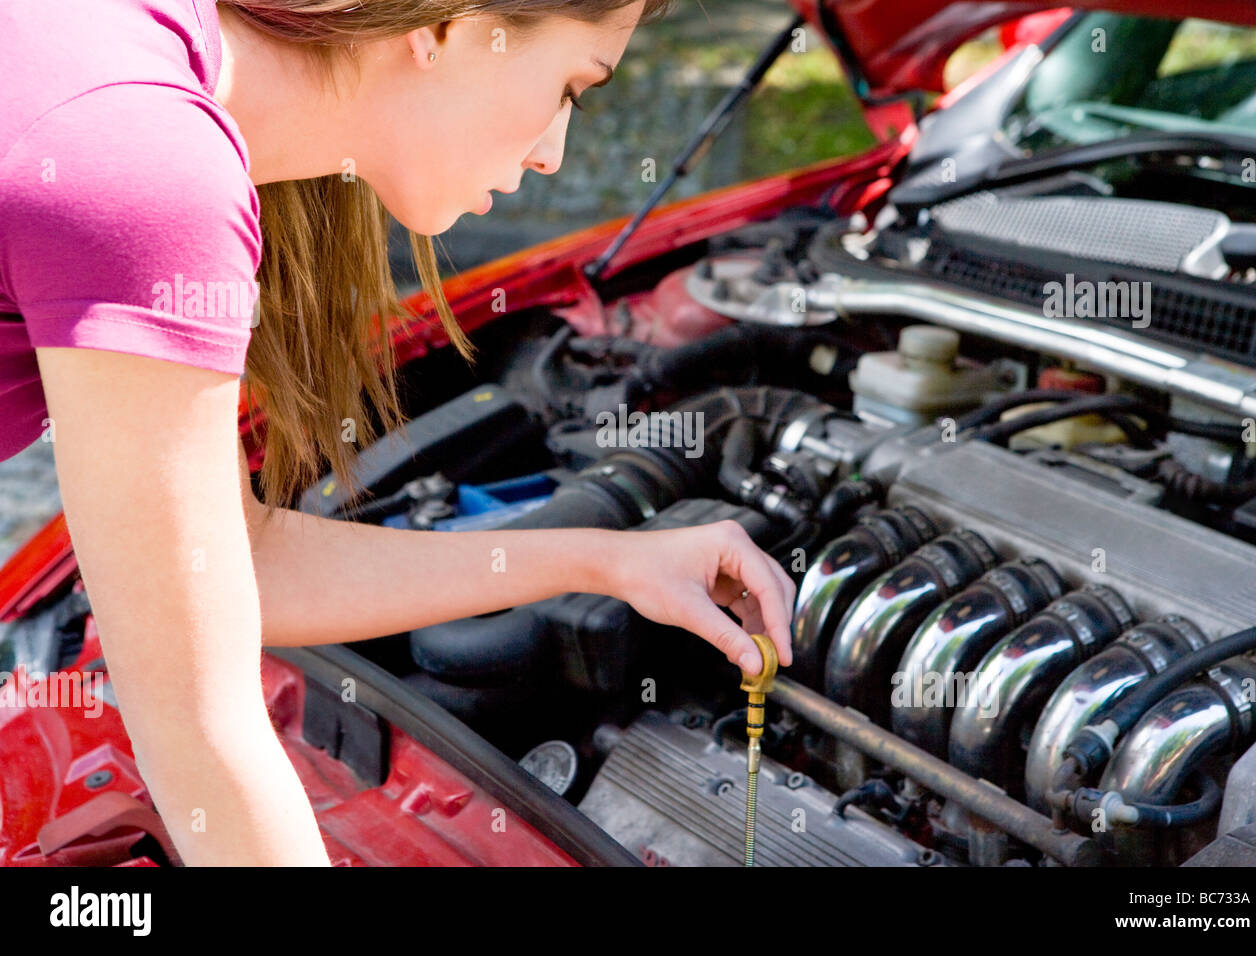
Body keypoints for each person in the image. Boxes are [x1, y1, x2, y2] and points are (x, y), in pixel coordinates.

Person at [0, 0, 796, 865]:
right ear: (446, 25)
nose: (552, 152)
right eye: (572, 88)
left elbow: (237, 562)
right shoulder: (148, 169)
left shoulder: (153, 65)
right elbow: (198, 739)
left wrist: (607, 561)